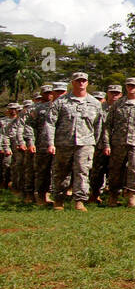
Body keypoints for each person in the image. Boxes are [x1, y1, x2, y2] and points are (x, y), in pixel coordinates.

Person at [47, 71, 103, 211]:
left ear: (87, 83)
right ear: (72, 83)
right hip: (63, 143)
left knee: (82, 171)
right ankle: (59, 200)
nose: (81, 83)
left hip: (85, 143)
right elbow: (50, 123)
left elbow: (98, 126)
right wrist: (51, 143)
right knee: (61, 172)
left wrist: (94, 143)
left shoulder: (95, 103)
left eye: (84, 81)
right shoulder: (61, 101)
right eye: (78, 81)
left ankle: (79, 200)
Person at [104, 78, 135, 208]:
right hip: (118, 142)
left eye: (134, 86)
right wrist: (107, 144)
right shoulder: (118, 104)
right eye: (129, 85)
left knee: (134, 169)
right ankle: (113, 197)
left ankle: (132, 198)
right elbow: (108, 125)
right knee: (115, 170)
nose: (131, 87)